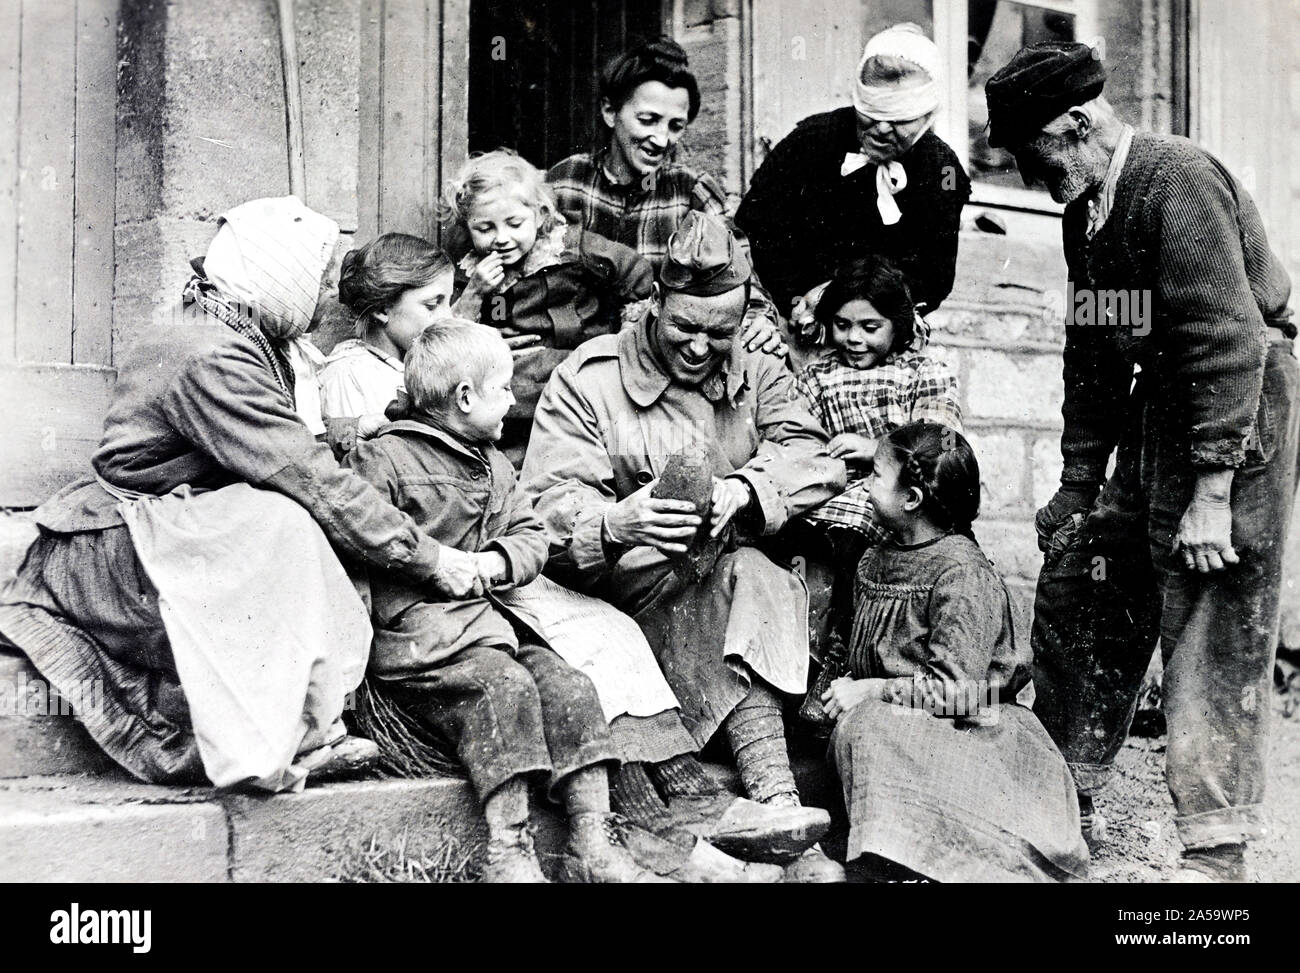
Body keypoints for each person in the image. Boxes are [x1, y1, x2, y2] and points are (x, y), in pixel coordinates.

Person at [0, 196, 486, 793]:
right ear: (279, 276)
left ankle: (308, 721)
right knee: (282, 520)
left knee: (280, 518)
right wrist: (428, 556)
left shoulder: (222, 328)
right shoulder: (207, 352)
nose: (322, 298)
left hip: (171, 517)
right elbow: (301, 472)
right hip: (112, 548)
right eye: (313, 280)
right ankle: (289, 735)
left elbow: (285, 451)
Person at [985, 41, 1298, 881]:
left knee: (1209, 612)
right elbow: (1093, 355)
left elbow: (1226, 339)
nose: (1025, 177)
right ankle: (1066, 793)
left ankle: (1215, 849)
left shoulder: (1176, 180)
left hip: (1238, 405)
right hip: (1162, 409)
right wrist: (1080, 486)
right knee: (1091, 573)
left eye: (1032, 156)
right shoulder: (1085, 211)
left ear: (1079, 125)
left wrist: (1212, 489)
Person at [522, 211, 850, 882]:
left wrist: (749, 487)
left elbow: (814, 455)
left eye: (720, 332)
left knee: (753, 570)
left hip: (719, 593)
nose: (701, 348)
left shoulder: (758, 371)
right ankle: (770, 831)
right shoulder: (591, 377)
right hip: (620, 605)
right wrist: (620, 519)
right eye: (684, 328)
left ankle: (777, 804)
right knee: (744, 576)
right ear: (654, 303)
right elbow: (547, 505)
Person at [343, 320, 666, 883]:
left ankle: (593, 840)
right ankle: (508, 853)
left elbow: (532, 533)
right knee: (504, 688)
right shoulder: (385, 460)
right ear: (465, 397)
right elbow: (366, 534)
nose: (514, 400)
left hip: (490, 630)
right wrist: (435, 563)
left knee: (570, 683)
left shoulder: (494, 464)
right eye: (503, 389)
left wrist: (497, 562)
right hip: (419, 640)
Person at [823, 422, 1089, 882]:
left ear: (911, 500)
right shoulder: (874, 557)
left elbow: (957, 692)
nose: (864, 486)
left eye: (875, 476)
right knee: (853, 732)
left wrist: (872, 690)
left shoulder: (961, 573)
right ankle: (898, 844)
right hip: (905, 721)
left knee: (868, 725)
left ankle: (924, 854)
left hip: (976, 725)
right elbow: (850, 641)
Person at [547, 36, 784, 356]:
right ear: (609, 112)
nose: (661, 139)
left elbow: (740, 281)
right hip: (571, 359)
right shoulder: (565, 182)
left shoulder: (693, 192)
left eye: (675, 126)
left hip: (660, 362)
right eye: (648, 120)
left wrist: (759, 320)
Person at [735, 23, 971, 323]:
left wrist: (853, 301)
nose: (883, 129)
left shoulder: (945, 170)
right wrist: (795, 299)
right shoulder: (808, 141)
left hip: (884, 325)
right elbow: (755, 228)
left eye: (901, 118)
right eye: (873, 113)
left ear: (928, 115)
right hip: (794, 317)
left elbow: (934, 275)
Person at [444, 149, 655, 461]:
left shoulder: (569, 249)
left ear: (540, 215)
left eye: (514, 223)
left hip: (572, 365)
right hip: (516, 379)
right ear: (467, 226)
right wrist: (475, 291)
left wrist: (627, 338)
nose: (501, 238)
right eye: (485, 228)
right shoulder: (470, 268)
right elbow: (447, 332)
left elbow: (636, 274)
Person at [794, 255, 962, 551]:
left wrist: (877, 449)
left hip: (900, 498)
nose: (854, 338)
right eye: (842, 325)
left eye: (870, 328)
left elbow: (945, 444)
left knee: (857, 537)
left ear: (897, 325)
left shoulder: (924, 372)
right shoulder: (816, 378)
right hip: (831, 495)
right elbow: (796, 439)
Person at [319, 232, 455, 445]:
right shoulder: (350, 376)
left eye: (448, 302)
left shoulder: (408, 364)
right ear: (383, 309)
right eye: (432, 305)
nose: (448, 316)